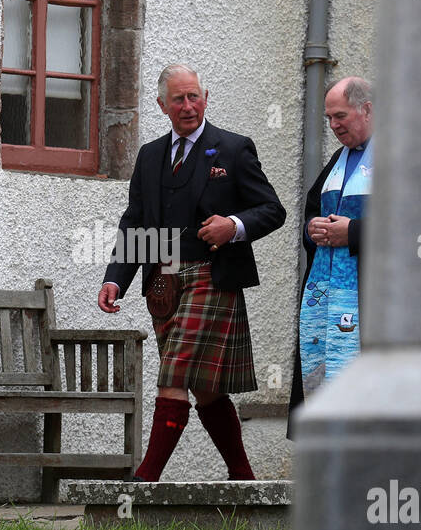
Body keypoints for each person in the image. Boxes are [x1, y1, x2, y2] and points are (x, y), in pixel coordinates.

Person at [98, 64, 286, 481]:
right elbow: (136, 224)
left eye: (195, 96)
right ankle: (242, 476)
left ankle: (143, 482)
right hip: (162, 284)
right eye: (179, 99)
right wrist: (116, 278)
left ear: (206, 97)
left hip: (211, 277)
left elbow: (273, 210)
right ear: (162, 105)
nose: (189, 106)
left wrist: (233, 227)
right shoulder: (150, 155)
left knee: (175, 371)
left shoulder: (234, 149)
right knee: (204, 386)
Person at [290, 77, 374, 436]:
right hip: (327, 297)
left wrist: (354, 233)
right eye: (328, 118)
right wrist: (314, 229)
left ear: (367, 109)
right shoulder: (339, 160)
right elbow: (313, 208)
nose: (334, 125)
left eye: (340, 115)